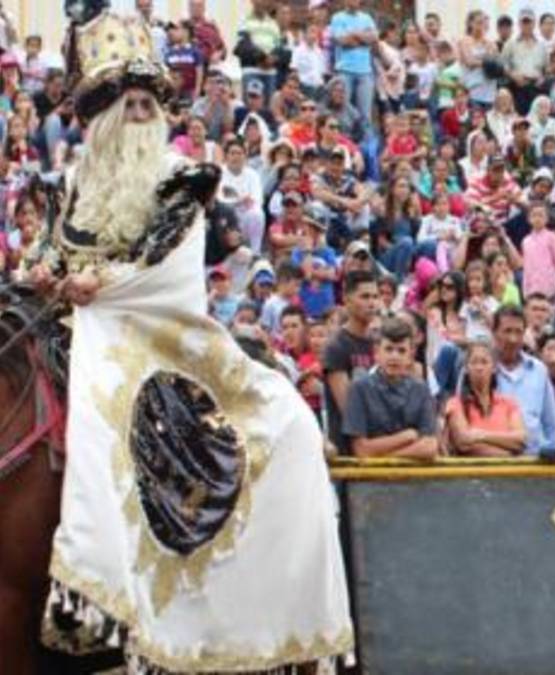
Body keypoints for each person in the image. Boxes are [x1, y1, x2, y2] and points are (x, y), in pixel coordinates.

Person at [21, 10, 351, 668]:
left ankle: (200, 611)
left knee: (274, 415)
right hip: (73, 324)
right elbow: (45, 252)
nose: (141, 112)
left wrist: (96, 285)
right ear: (105, 114)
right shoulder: (74, 185)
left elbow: (166, 267)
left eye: (148, 100)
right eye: (127, 101)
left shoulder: (182, 178)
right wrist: (45, 271)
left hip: (154, 331)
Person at [343, 319, 439, 458]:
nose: (394, 356)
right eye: (389, 349)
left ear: (411, 355)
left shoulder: (421, 389)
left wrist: (388, 457)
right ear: (377, 352)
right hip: (370, 477)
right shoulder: (359, 388)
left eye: (401, 351)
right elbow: (361, 449)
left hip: (411, 477)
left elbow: (430, 446)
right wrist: (406, 437)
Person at [323, 270, 380, 454]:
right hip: (348, 451)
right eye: (364, 296)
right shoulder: (336, 346)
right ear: (347, 300)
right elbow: (348, 408)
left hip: (380, 445)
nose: (372, 303)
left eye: (375, 296)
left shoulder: (380, 343)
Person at [492, 305, 555, 454]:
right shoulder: (481, 368)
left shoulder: (538, 370)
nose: (513, 339)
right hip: (494, 462)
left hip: (536, 464)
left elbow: (551, 424)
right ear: (495, 333)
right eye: (507, 331)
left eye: (518, 332)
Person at [445, 340, 527, 456]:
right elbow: (463, 442)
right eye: (474, 362)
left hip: (508, 472)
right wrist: (506, 450)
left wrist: (480, 435)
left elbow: (521, 440)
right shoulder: (456, 403)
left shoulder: (509, 403)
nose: (479, 367)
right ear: (467, 369)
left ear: (494, 368)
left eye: (484, 362)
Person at [330, 0, 379, 137]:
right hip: (345, 70)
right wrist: (362, 38)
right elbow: (341, 41)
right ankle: (344, 141)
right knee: (343, 110)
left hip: (365, 71)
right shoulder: (337, 17)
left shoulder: (367, 18)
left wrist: (354, 35)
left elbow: (374, 38)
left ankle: (368, 147)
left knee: (365, 114)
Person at [217, 137, 266, 253]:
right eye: (232, 153)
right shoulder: (219, 173)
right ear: (226, 156)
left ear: (245, 156)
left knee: (257, 214)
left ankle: (255, 252)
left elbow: (258, 200)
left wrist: (245, 203)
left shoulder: (253, 175)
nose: (236, 157)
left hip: (245, 215)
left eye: (239, 153)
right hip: (225, 216)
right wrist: (238, 201)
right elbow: (218, 200)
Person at [502, 8, 547, 115]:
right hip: (518, 87)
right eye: (524, 21)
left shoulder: (541, 44)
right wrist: (513, 75)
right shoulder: (511, 43)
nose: (526, 25)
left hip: (536, 87)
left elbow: (546, 68)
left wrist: (542, 78)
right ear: (519, 23)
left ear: (534, 23)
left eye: (529, 22)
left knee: (536, 120)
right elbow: (502, 65)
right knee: (520, 121)